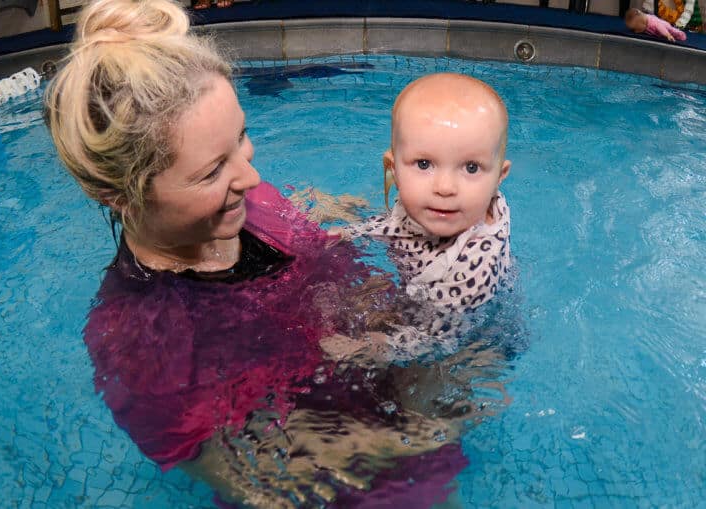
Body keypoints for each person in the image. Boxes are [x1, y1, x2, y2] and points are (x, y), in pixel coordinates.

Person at [44, 0, 474, 506]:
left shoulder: (250, 202)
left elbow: (285, 212)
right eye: (211, 171)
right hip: (352, 481)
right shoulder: (140, 341)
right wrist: (406, 437)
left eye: (241, 137)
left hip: (398, 386)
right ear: (122, 196)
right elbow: (241, 471)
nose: (250, 178)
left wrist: (325, 208)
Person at [338, 73, 512, 315]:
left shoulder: (474, 271)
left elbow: (434, 339)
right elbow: (398, 224)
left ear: (499, 178)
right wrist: (351, 233)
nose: (445, 187)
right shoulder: (431, 202)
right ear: (394, 170)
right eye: (423, 164)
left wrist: (375, 347)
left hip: (463, 331)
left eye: (471, 167)